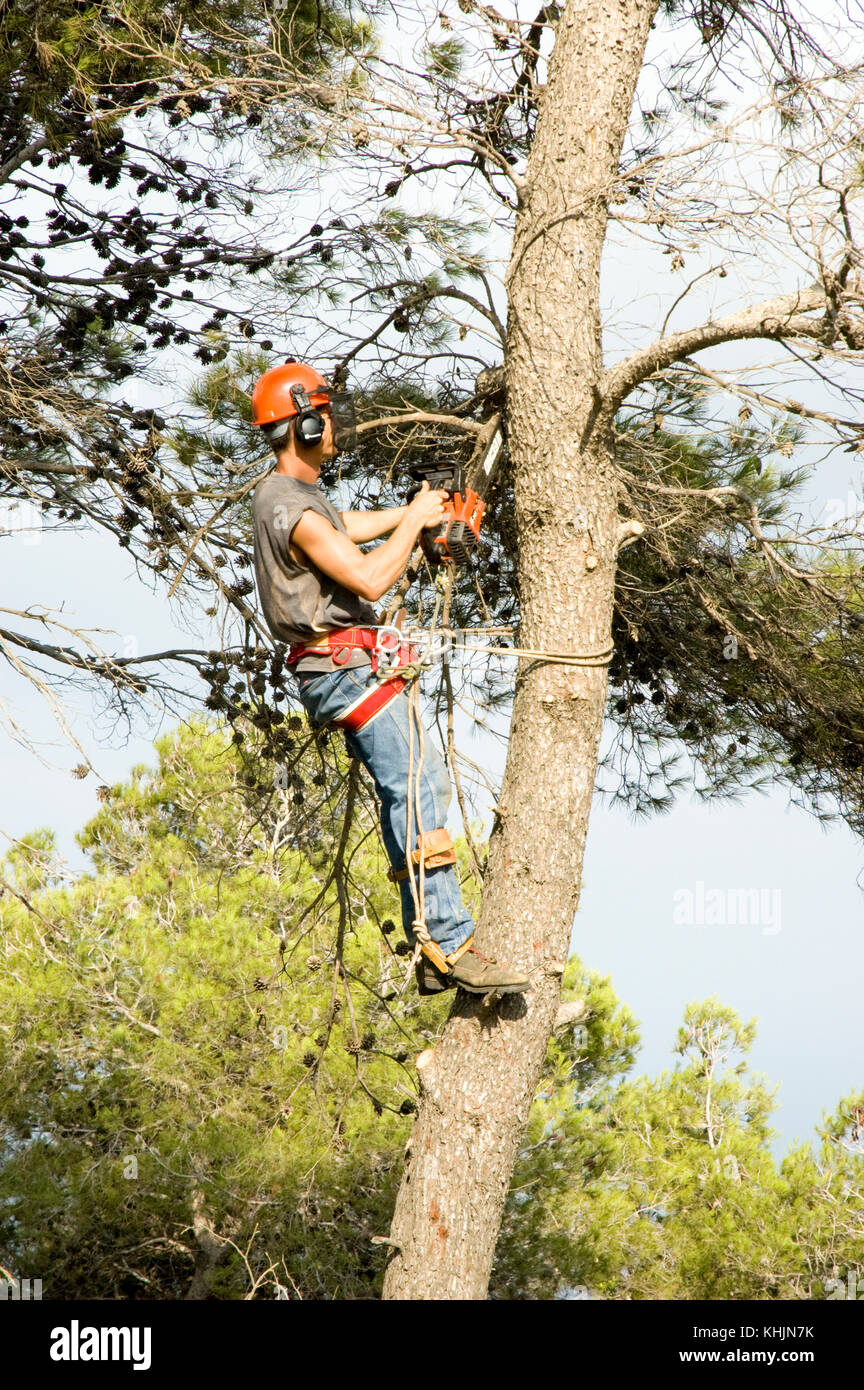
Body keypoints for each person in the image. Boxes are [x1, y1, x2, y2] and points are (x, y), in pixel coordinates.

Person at [250, 360, 530, 996]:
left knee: (416, 783)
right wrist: (413, 523)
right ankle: (445, 944)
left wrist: (414, 512)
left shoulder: (295, 499)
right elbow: (371, 578)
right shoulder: (288, 506)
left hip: (347, 665)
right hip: (343, 667)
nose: (337, 429)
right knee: (416, 787)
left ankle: (435, 941)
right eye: (326, 417)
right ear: (307, 423)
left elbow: (346, 529)